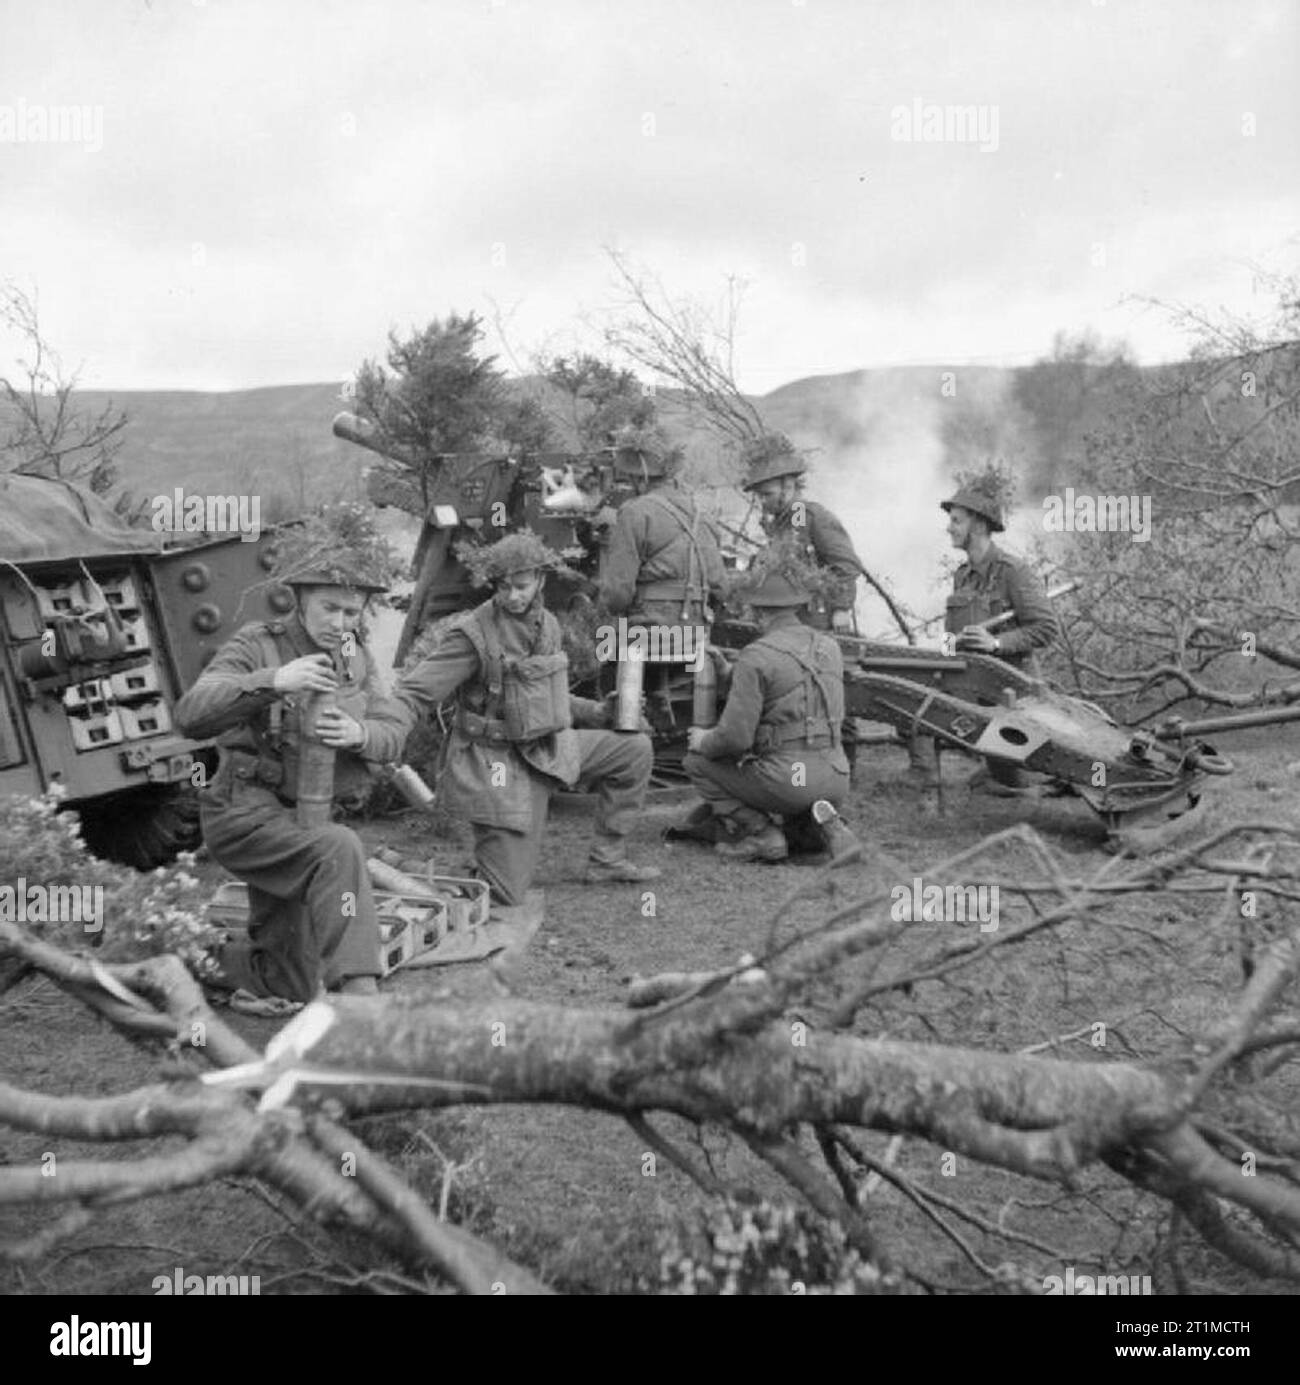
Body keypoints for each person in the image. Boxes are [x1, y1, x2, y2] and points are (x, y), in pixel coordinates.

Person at [174, 507, 407, 1014]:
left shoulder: (359, 658)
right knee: (338, 850)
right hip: (244, 813)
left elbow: (395, 732)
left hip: (306, 817)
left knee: (289, 982)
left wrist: (360, 733)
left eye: (352, 612)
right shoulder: (258, 645)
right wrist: (273, 682)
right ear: (300, 599)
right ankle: (362, 1002)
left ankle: (186, 957)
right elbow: (190, 715)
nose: (341, 623)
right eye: (329, 608)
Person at [392, 531, 661, 906]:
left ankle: (607, 860)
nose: (512, 596)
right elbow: (415, 690)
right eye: (503, 587)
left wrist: (597, 711)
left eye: (521, 586)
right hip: (497, 763)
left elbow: (542, 695)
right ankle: (398, 868)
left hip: (547, 747)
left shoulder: (547, 625)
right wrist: (381, 733)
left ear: (540, 580)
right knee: (504, 892)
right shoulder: (473, 636)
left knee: (633, 749)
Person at [679, 566, 856, 862]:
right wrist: (731, 674)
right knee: (801, 797)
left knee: (696, 763)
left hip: (789, 782)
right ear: (796, 607)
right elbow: (793, 684)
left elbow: (735, 739)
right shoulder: (830, 647)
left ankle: (762, 834)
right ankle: (828, 826)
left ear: (760, 613)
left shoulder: (756, 655)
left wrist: (702, 740)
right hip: (836, 776)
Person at [932, 480, 1059, 792]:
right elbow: (953, 633)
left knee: (1026, 777)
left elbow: (1045, 628)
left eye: (956, 521)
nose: (949, 528)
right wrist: (943, 650)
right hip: (977, 690)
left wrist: (996, 643)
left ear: (978, 524)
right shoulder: (962, 575)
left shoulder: (1013, 571)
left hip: (1016, 691)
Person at [741, 433, 865, 634]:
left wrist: (841, 609)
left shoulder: (810, 516)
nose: (762, 501)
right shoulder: (786, 519)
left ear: (788, 487)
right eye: (759, 495)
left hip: (816, 623)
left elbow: (847, 566)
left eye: (767, 494)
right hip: (790, 621)